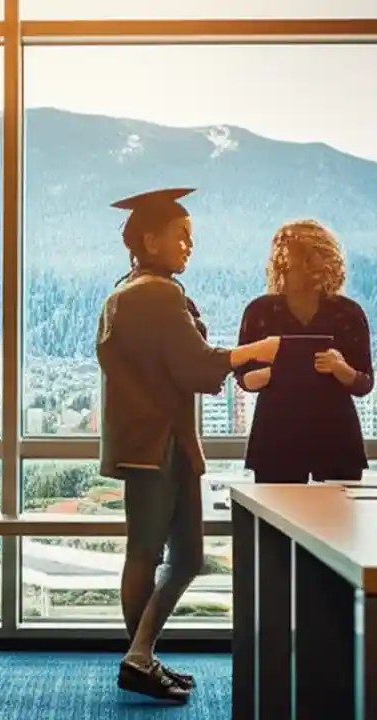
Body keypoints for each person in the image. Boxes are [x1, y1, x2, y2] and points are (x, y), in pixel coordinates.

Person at [97, 187, 278, 702]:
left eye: (191, 239)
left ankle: (142, 656)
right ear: (150, 240)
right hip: (159, 443)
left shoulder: (125, 291)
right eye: (181, 237)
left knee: (173, 554)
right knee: (160, 553)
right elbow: (196, 365)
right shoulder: (156, 293)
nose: (189, 246)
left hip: (150, 441)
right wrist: (256, 351)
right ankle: (139, 658)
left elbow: (175, 365)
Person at [234, 219, 373, 484]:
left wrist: (339, 368)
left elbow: (364, 382)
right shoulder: (259, 311)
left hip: (335, 440)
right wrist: (274, 372)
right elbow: (243, 376)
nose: (302, 270)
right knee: (276, 521)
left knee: (334, 523)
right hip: (277, 439)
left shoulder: (348, 313)